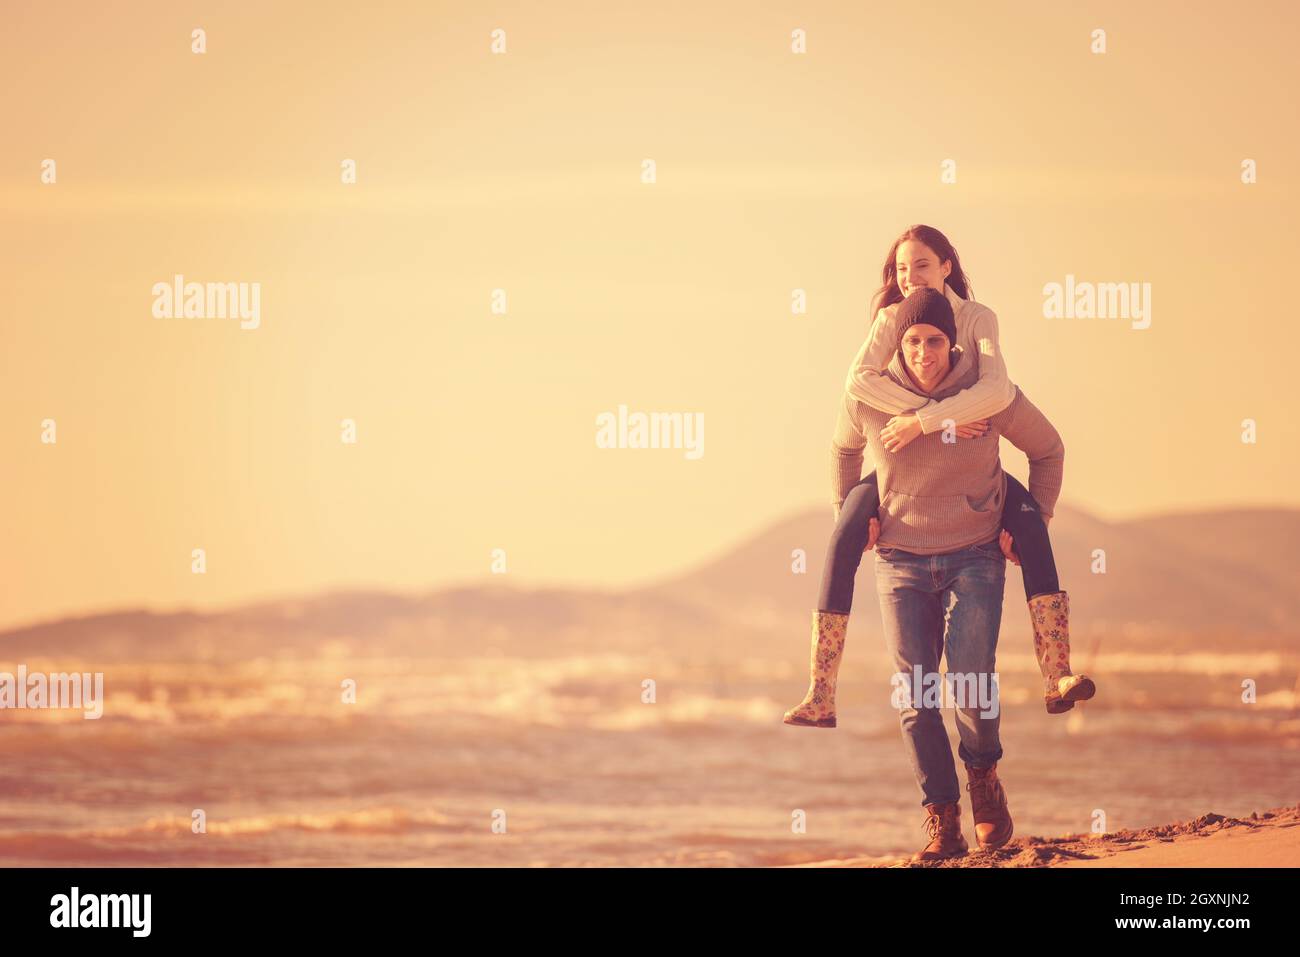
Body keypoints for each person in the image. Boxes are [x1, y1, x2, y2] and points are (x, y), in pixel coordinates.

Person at [784, 225, 1093, 732]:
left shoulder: (977, 318)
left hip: (974, 459)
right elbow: (858, 383)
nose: (909, 278)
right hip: (900, 471)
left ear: (948, 266)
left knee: (1034, 525)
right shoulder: (889, 319)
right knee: (842, 534)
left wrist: (935, 420)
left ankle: (1057, 675)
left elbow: (995, 389)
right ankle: (820, 691)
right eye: (900, 269)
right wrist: (934, 416)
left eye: (922, 265)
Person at [804, 287, 1064, 860]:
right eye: (914, 341)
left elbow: (1048, 449)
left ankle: (985, 785)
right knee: (917, 697)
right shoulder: (873, 396)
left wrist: (1031, 521)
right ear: (900, 343)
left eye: (936, 341)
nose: (924, 352)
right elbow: (842, 451)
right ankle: (942, 820)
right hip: (900, 561)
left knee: (970, 682)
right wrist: (855, 512)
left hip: (975, 555)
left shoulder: (984, 394)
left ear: (954, 342)